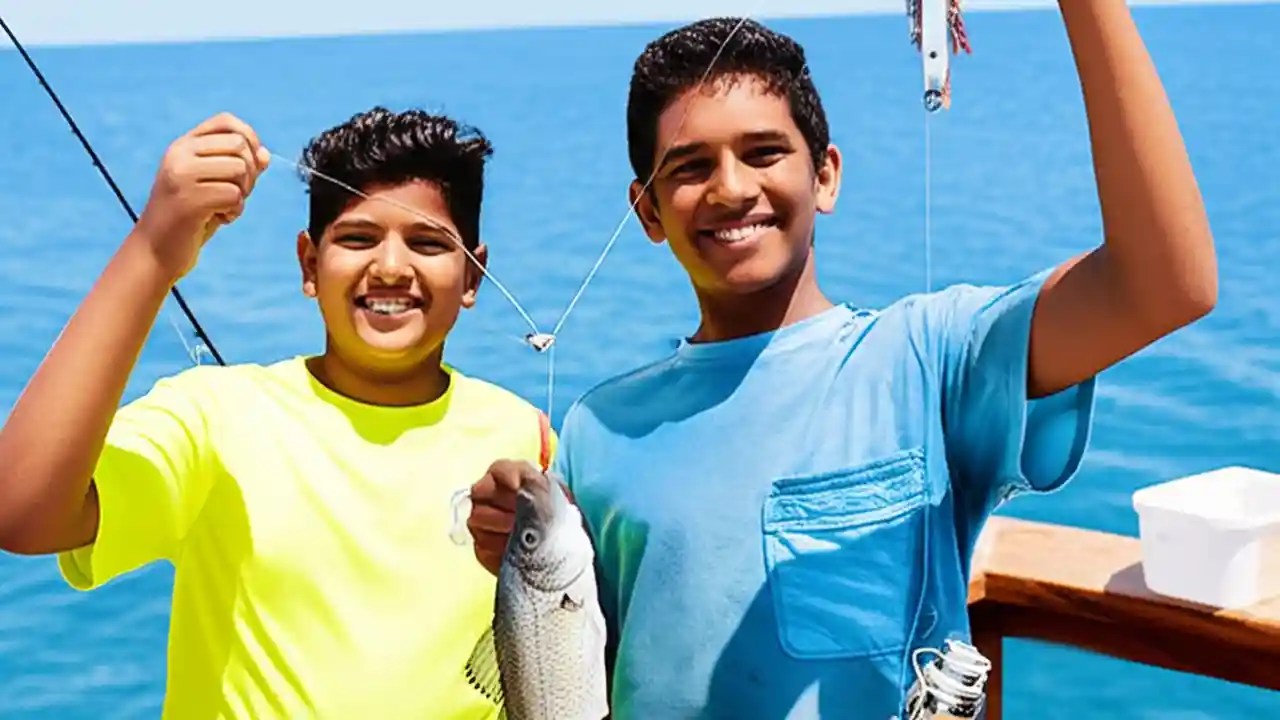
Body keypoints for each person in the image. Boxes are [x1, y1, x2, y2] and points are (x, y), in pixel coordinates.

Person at [466, 5, 1217, 719]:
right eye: (690, 167)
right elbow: (572, 659)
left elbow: (1164, 286)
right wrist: (508, 531)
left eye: (763, 153)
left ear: (825, 175)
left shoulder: (931, 358)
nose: (731, 188)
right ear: (649, 211)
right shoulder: (599, 428)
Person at [0, 107, 549, 718]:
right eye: (358, 238)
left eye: (426, 243)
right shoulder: (215, 415)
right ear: (309, 265)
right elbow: (21, 513)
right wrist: (154, 250)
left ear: (473, 276)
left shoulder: (527, 439)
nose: (392, 267)